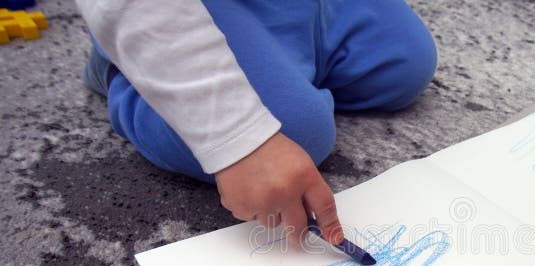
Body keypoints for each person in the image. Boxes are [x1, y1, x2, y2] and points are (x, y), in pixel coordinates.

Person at [76, 0, 437, 246]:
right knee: (294, 131)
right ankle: (128, 67)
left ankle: (286, 65)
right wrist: (237, 135)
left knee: (406, 64)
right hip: (168, 16)